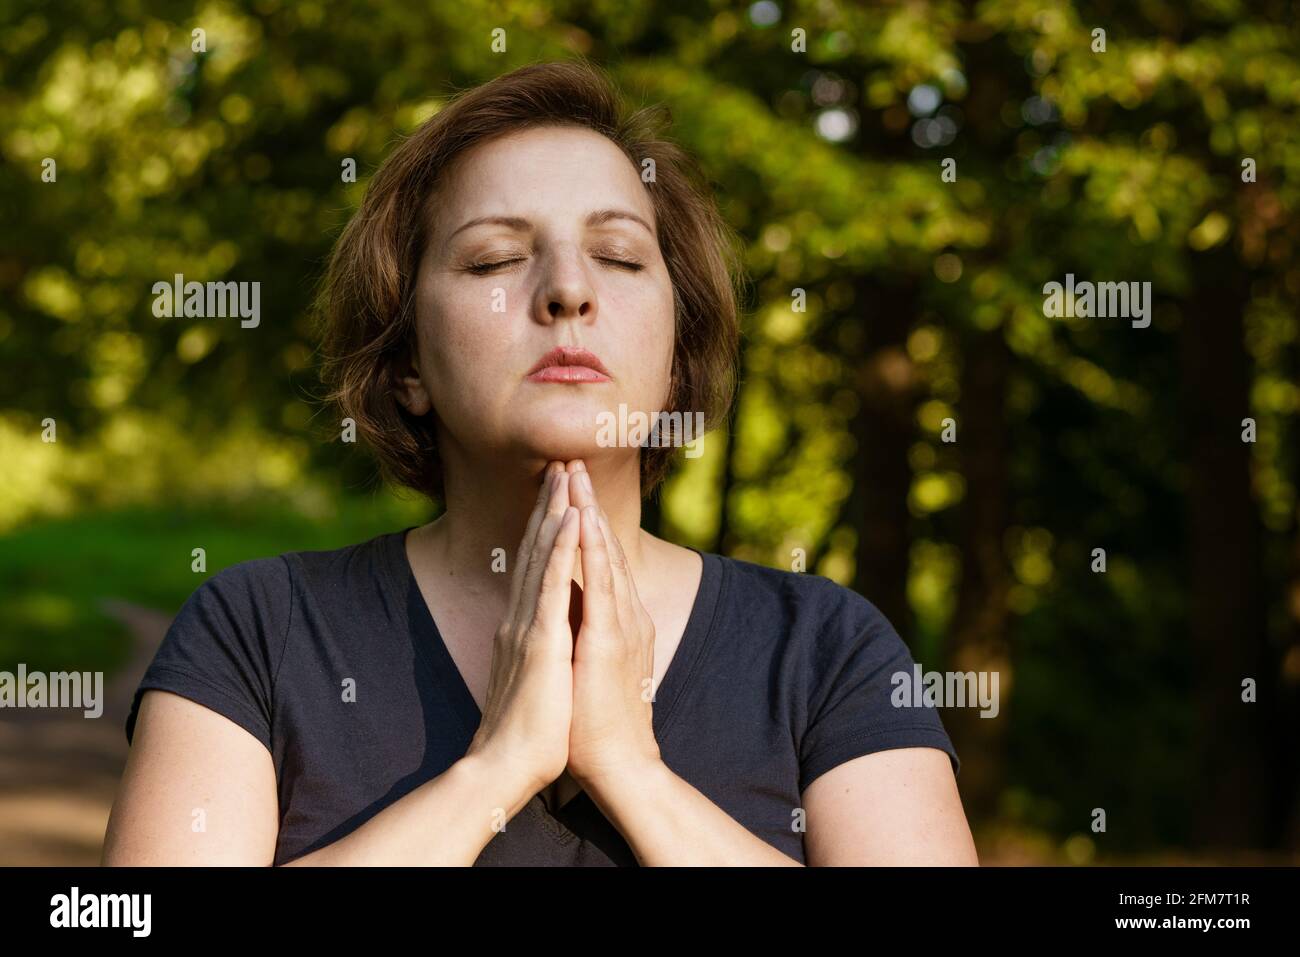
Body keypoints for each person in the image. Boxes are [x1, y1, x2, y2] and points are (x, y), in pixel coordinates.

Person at [102, 59, 977, 866]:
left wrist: (634, 772)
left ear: (675, 361)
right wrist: (494, 771)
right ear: (407, 362)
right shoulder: (258, 631)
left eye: (620, 255)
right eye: (494, 258)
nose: (567, 288)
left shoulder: (828, 649)